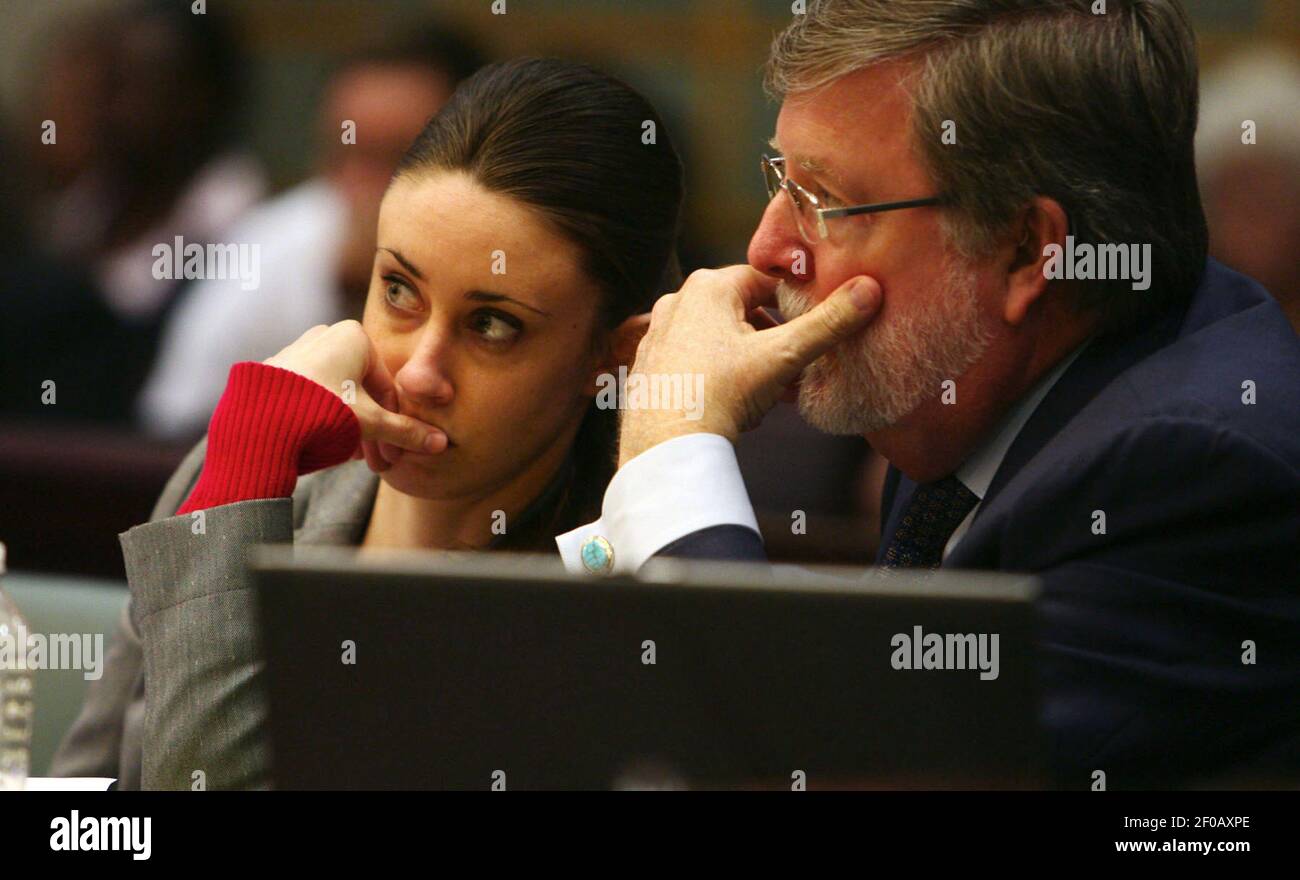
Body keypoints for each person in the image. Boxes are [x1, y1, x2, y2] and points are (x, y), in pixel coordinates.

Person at [556, 0, 1300, 788]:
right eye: (781, 178)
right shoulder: (968, 393)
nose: (767, 249)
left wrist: (676, 452)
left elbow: (826, 769)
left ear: (1026, 251)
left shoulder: (1192, 474)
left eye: (823, 202)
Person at [51, 58, 684, 790]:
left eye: (493, 325)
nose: (418, 370)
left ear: (612, 358)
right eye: (398, 290)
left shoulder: (610, 612)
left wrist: (243, 471)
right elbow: (79, 808)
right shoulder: (254, 483)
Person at [136, 27, 488, 437]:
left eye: (397, 157)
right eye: (345, 153)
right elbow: (175, 422)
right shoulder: (271, 247)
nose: (361, 188)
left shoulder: (503, 250)